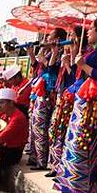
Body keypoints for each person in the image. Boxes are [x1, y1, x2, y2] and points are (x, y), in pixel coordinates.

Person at [54, 19, 97, 193]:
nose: (88, 33)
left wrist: (83, 65)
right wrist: (74, 59)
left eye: (91, 30)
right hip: (82, 100)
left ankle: (86, 188)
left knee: (85, 142)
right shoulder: (91, 51)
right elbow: (78, 74)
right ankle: (74, 183)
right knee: (75, 142)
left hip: (93, 102)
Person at [46, 26, 85, 178]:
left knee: (63, 133)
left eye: (72, 35)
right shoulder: (63, 53)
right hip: (61, 96)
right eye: (68, 35)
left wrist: (69, 64)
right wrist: (55, 53)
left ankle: (61, 167)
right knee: (56, 131)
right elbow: (50, 72)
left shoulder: (80, 54)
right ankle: (55, 165)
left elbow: (76, 78)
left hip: (71, 98)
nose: (69, 37)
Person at [28, 28, 67, 171]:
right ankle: (35, 156)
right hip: (38, 92)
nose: (47, 39)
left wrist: (46, 58)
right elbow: (38, 69)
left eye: (50, 36)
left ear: (57, 39)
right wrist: (34, 55)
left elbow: (51, 71)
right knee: (34, 125)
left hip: (48, 95)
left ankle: (42, 160)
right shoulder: (50, 52)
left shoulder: (61, 53)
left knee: (42, 127)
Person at [0, 88, 29, 167]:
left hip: (13, 152)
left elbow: (1, 138)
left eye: (1, 103)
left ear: (11, 103)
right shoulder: (6, 115)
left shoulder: (18, 117)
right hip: (5, 148)